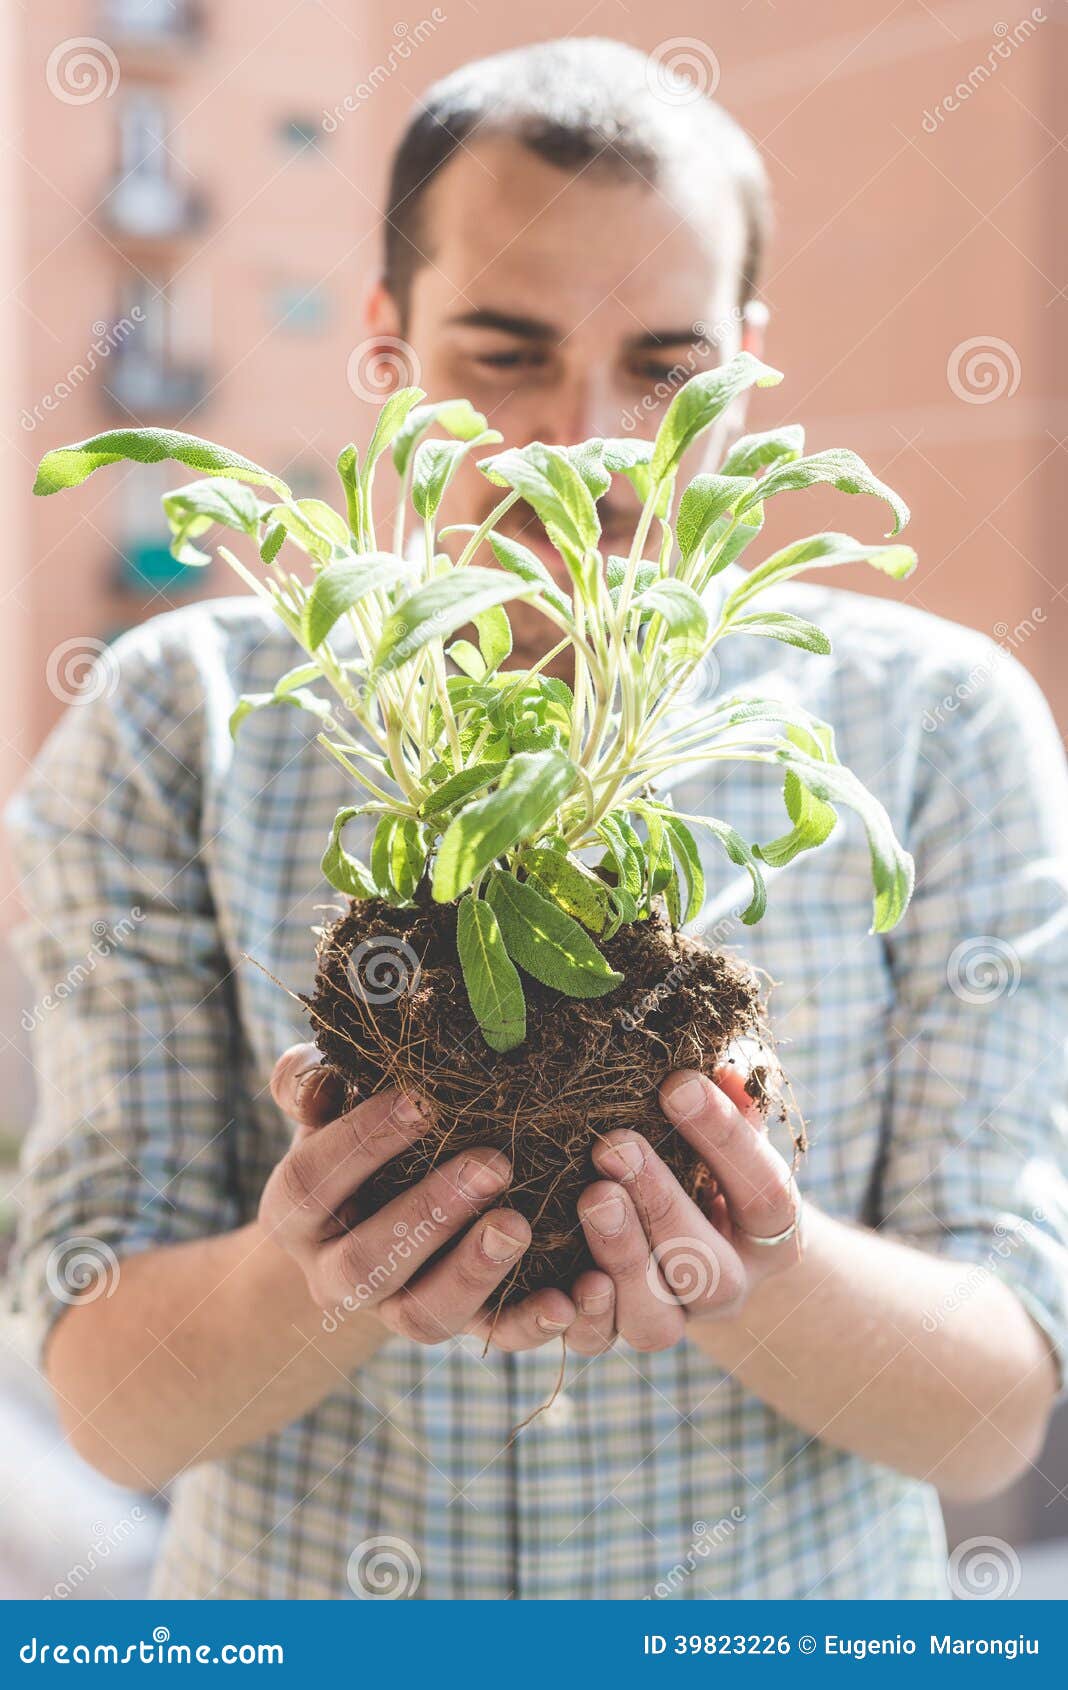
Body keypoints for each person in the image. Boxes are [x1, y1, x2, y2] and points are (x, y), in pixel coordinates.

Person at [9, 38, 1068, 1601]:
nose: (591, 440)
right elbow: (106, 1396)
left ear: (748, 358)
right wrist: (319, 1276)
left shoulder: (946, 720)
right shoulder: (179, 717)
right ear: (387, 341)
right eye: (504, 352)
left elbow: (998, 1405)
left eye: (665, 367)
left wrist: (760, 1268)